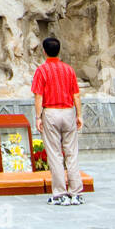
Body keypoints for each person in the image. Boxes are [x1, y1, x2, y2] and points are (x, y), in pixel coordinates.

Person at [32, 36, 83, 206]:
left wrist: (38, 117)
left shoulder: (42, 70)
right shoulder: (69, 70)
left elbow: (39, 95)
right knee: (71, 153)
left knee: (55, 154)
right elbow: (76, 94)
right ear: (59, 50)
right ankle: (76, 192)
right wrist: (79, 114)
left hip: (51, 113)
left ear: (44, 51)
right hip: (68, 111)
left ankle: (60, 193)